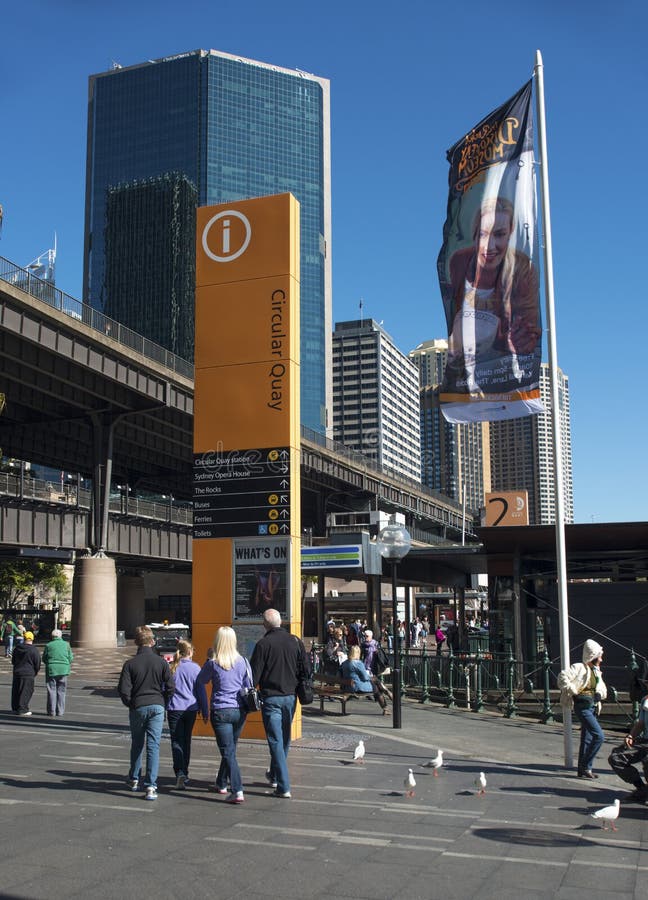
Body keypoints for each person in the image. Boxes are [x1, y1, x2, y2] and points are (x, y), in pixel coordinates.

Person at [444, 197, 541, 386]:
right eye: (483, 234)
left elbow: (528, 335)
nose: (490, 246)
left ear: (510, 232)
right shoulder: (459, 262)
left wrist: (515, 341)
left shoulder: (522, 271)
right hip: (463, 373)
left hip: (501, 373)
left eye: (499, 234)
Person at [251, 608, 310, 799]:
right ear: (280, 622)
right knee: (284, 739)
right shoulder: (295, 641)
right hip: (291, 697)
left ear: (265, 624)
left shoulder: (263, 644)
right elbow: (306, 669)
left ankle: (283, 785)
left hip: (271, 698)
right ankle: (275, 774)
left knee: (275, 740)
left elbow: (254, 675)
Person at [118, 624, 175, 801]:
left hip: (138, 706)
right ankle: (151, 785)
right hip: (157, 705)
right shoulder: (161, 663)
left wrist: (131, 703)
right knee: (153, 746)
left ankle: (134, 778)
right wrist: (164, 701)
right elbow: (171, 687)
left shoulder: (130, 664)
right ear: (152, 641)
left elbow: (123, 689)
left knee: (137, 743)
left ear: (136, 642)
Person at [197, 627, 251, 804]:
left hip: (220, 710)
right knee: (230, 749)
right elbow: (248, 685)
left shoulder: (213, 663)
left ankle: (237, 790)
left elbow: (200, 681)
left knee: (228, 751)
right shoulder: (242, 661)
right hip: (239, 711)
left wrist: (204, 708)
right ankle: (221, 783)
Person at [558, 639, 607, 779]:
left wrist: (599, 694)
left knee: (587, 738)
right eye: (599, 656)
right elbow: (562, 677)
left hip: (592, 706)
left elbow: (603, 688)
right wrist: (573, 691)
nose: (601, 659)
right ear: (593, 656)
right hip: (583, 706)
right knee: (599, 736)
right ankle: (585, 765)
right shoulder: (579, 667)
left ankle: (584, 770)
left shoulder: (596, 671)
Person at [167, 640, 208, 790]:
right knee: (186, 740)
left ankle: (179, 772)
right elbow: (201, 691)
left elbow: (166, 689)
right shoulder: (195, 668)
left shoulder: (171, 667)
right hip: (190, 709)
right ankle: (186, 771)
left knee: (176, 741)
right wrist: (205, 710)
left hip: (174, 709)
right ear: (190, 652)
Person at [608, 686, 648, 804]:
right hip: (644, 741)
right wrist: (631, 736)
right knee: (616, 757)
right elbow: (640, 724)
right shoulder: (645, 700)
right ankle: (641, 788)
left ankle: (645, 793)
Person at [340, 646, 389, 714]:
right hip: (358, 687)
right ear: (357, 653)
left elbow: (340, 674)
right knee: (377, 688)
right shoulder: (358, 663)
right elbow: (365, 678)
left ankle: (385, 690)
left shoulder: (344, 663)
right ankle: (385, 706)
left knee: (375, 681)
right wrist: (370, 677)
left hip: (347, 687)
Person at [42, 628, 73, 716]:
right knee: (62, 691)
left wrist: (49, 663)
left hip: (51, 669)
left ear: (52, 636)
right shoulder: (66, 645)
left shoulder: (48, 645)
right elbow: (71, 658)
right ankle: (60, 711)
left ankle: (51, 711)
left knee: (51, 690)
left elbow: (44, 658)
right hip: (63, 669)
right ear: (60, 636)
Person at [11, 631, 41, 716]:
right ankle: (23, 709)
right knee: (26, 691)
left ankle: (15, 707)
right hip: (28, 673)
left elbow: (13, 661)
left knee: (16, 690)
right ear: (32, 639)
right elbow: (37, 663)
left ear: (24, 638)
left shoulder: (17, 648)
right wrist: (35, 671)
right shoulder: (33, 650)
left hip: (17, 672)